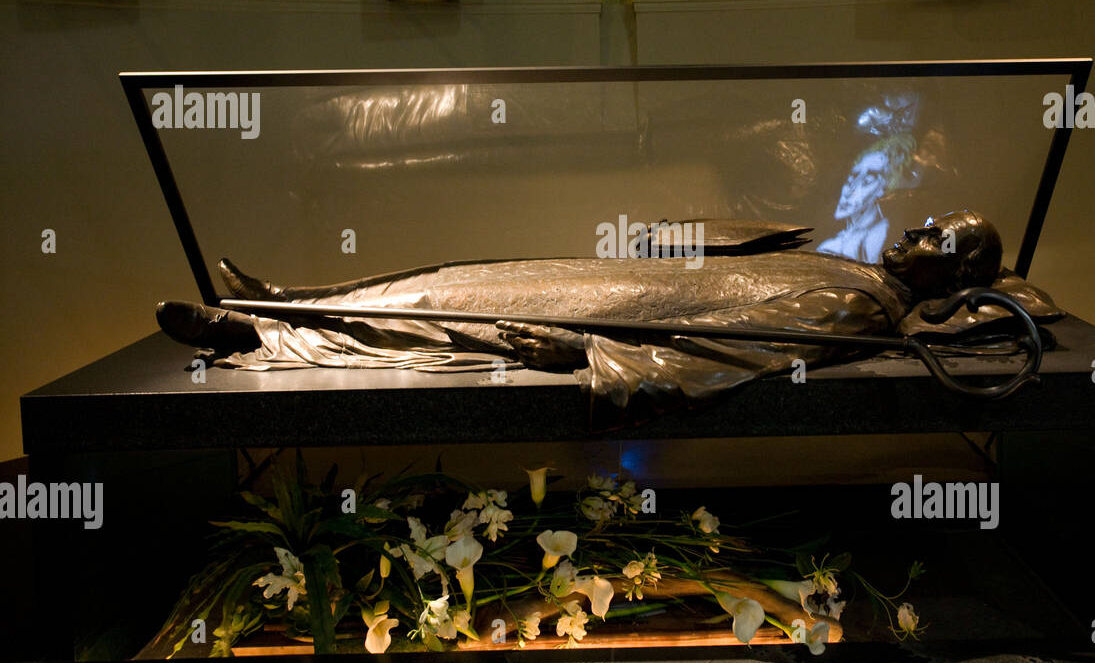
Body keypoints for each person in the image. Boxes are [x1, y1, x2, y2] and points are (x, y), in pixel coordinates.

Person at [157, 211, 1005, 427]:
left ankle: (261, 329)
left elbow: (740, 353)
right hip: (616, 278)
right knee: (454, 276)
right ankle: (292, 299)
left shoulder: (856, 304)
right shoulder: (849, 265)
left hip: (619, 311)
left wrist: (589, 351)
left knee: (450, 314)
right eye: (927, 222)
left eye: (939, 239)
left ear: (958, 276)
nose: (915, 233)